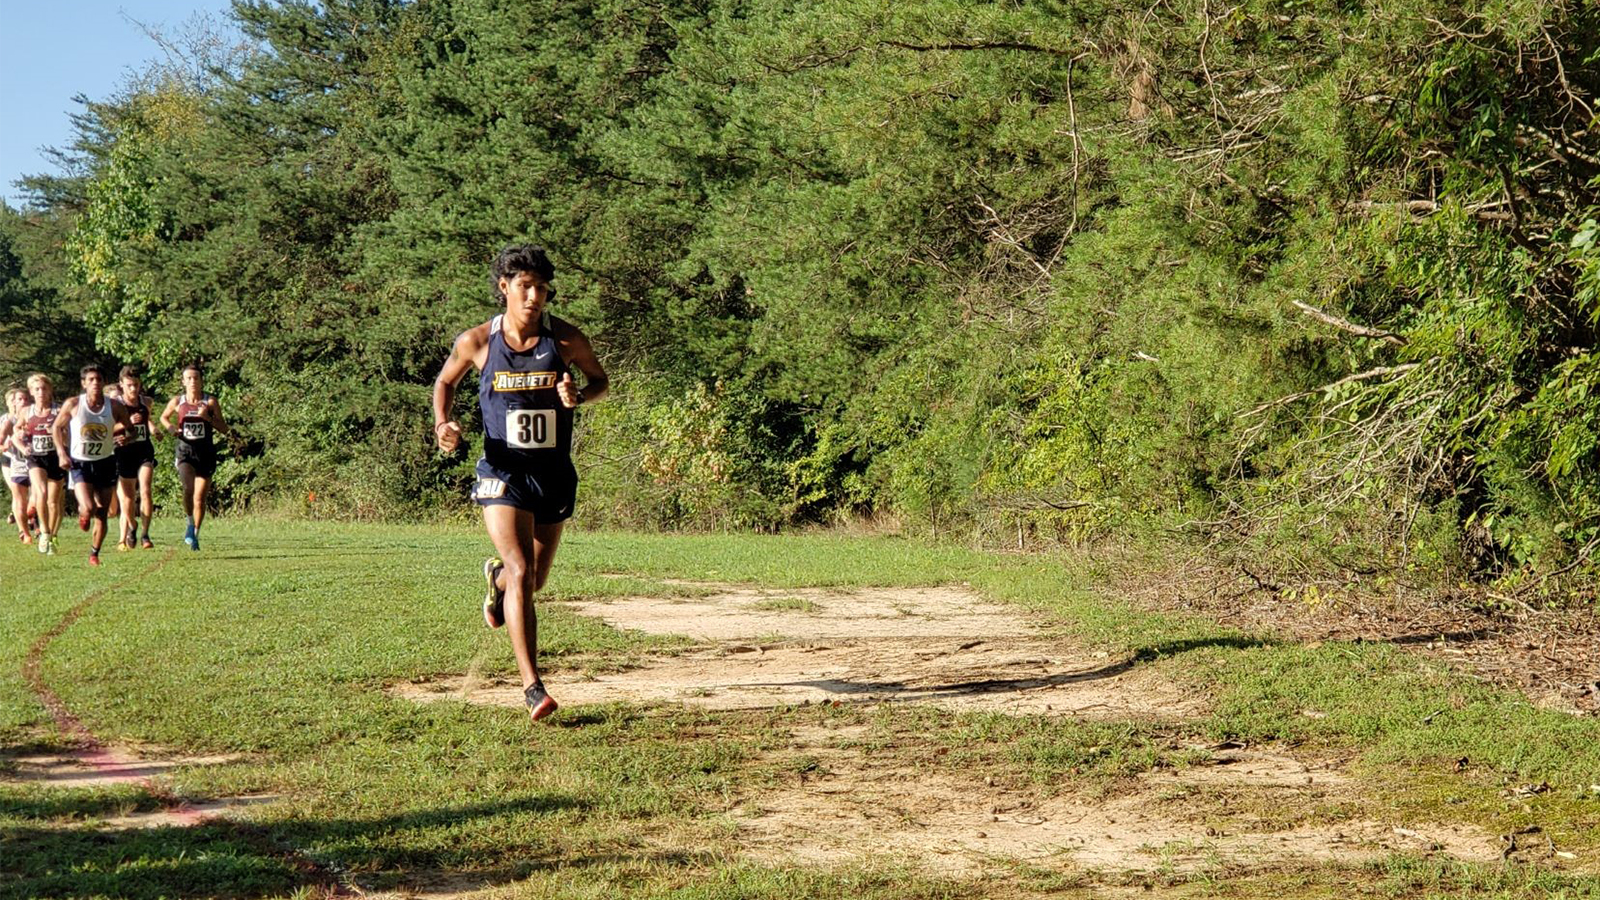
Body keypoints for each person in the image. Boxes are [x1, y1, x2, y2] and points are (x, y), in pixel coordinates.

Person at [432, 245, 608, 723]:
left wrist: (579, 395)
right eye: (525, 287)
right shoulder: (478, 341)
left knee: (533, 579)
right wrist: (443, 424)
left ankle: (496, 582)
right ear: (504, 287)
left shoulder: (565, 340)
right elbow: (445, 382)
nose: (534, 297)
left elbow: (600, 381)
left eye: (542, 288)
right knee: (522, 569)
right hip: (501, 472)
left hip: (552, 473)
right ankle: (533, 687)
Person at [54, 365, 129, 566]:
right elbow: (56, 427)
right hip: (80, 463)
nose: (95, 383)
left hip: (105, 462)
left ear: (104, 383)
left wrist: (124, 438)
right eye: (91, 379)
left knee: (103, 512)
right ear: (84, 383)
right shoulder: (73, 404)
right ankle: (84, 514)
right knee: (88, 507)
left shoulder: (115, 406)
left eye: (99, 379)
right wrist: (61, 453)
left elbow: (131, 429)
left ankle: (94, 553)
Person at [159, 364, 229, 551]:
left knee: (200, 498)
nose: (192, 382)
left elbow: (224, 428)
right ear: (183, 382)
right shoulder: (178, 401)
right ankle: (189, 523)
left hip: (205, 453)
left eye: (196, 378)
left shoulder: (210, 402)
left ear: (201, 381)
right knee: (188, 488)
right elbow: (163, 417)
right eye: (188, 378)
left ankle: (195, 534)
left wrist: (207, 418)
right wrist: (171, 428)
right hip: (185, 452)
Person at [113, 366, 159, 549]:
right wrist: (126, 424)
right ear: (121, 385)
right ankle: (132, 526)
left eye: (136, 385)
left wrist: (153, 429)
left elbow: (146, 420)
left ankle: (145, 535)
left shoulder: (146, 401)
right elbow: (107, 429)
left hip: (144, 450)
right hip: (124, 452)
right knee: (128, 497)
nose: (133, 389)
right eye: (129, 385)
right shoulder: (115, 404)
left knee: (146, 490)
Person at [22, 374, 66, 555]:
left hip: (56, 458)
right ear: (31, 392)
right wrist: (22, 444)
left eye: (44, 388)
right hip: (36, 458)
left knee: (53, 501)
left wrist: (57, 433)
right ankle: (45, 533)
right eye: (37, 389)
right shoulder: (26, 411)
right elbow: (17, 430)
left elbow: (69, 435)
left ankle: (53, 535)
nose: (41, 392)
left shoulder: (59, 410)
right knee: (40, 492)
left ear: (50, 390)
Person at [0, 387, 35, 543]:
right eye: (20, 399)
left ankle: (33, 519)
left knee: (36, 497)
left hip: (36, 463)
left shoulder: (36, 416)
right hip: (13, 461)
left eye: (26, 399)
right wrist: (4, 447)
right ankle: (24, 532)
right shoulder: (8, 421)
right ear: (13, 402)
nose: (23, 402)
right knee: (19, 497)